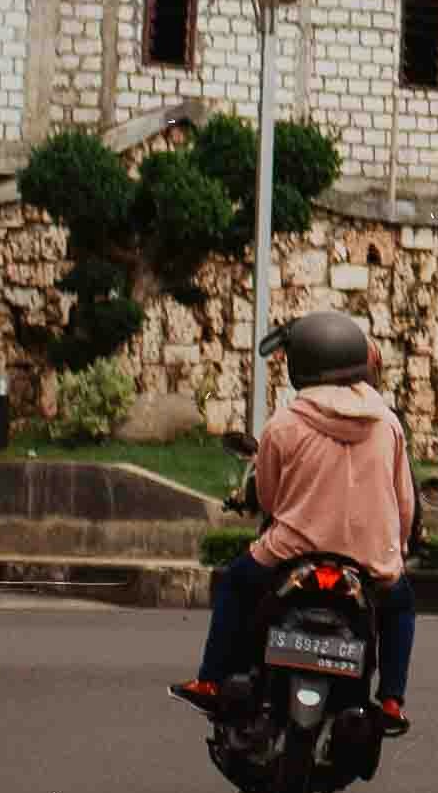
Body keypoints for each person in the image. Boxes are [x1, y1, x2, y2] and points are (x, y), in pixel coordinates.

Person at [179, 310, 419, 732]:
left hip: (292, 551)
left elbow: (269, 498)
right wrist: (395, 550)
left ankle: (211, 680)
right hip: (370, 561)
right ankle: (392, 700)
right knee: (400, 606)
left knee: (236, 584)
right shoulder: (387, 424)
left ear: (302, 365)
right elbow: (404, 503)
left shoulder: (285, 423)